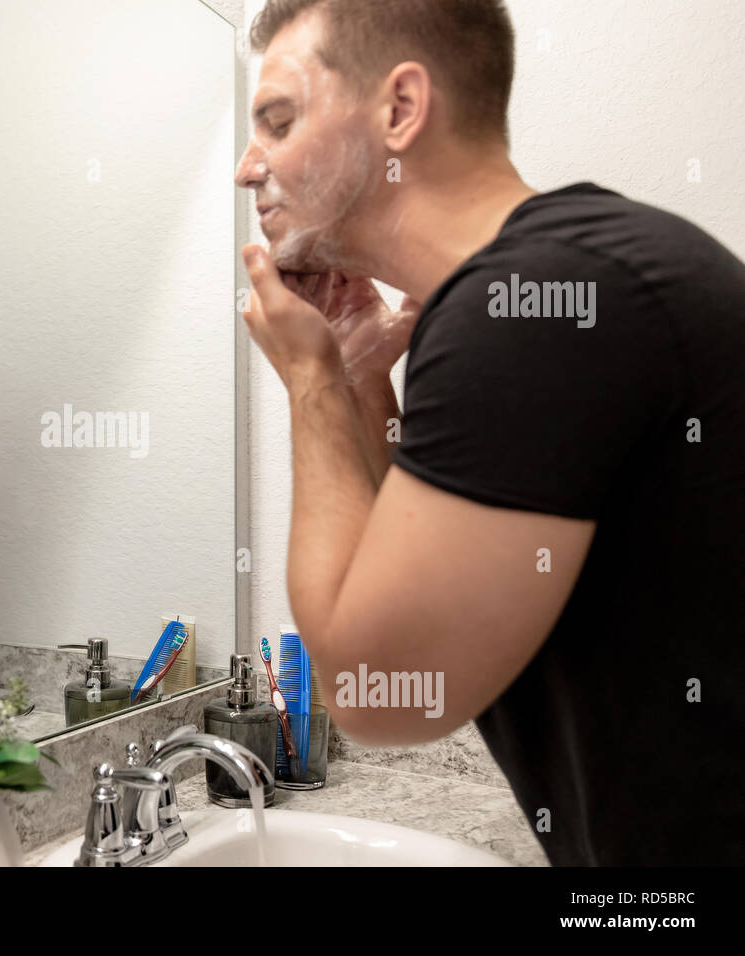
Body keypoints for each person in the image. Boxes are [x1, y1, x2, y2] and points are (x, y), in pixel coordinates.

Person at [236, 0, 744, 865]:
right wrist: (360, 376)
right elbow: (417, 597)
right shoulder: (552, 278)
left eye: (279, 122)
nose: (249, 167)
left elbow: (377, 692)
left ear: (400, 110)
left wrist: (312, 381)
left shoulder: (529, 306)